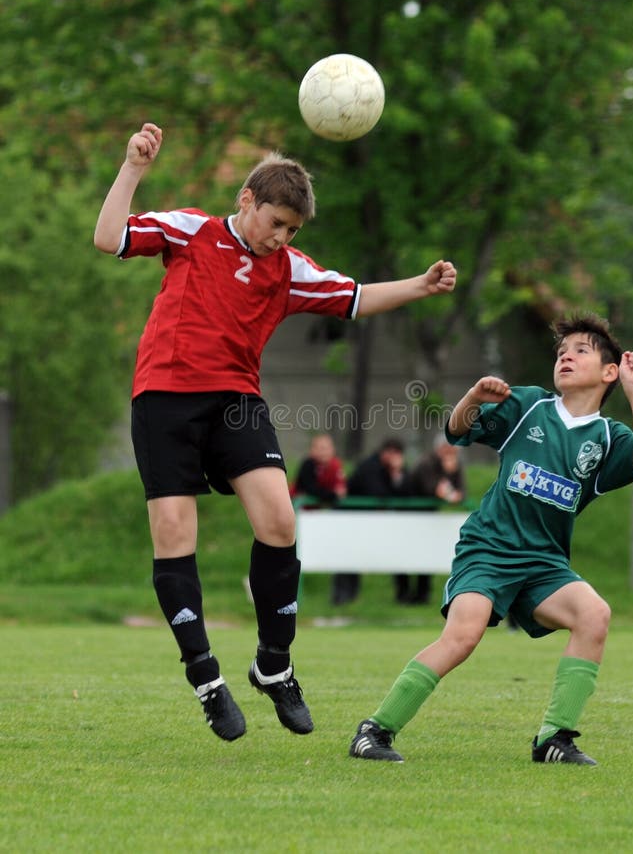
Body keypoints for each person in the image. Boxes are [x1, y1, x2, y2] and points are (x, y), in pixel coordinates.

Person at [94, 122, 456, 742]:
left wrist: (420, 286)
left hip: (236, 401)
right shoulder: (190, 231)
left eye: (292, 230)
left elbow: (355, 296)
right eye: (276, 222)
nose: (281, 237)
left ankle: (273, 664)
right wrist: (133, 168)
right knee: (175, 533)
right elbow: (109, 238)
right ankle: (205, 677)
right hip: (164, 399)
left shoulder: (288, 269)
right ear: (247, 200)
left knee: (280, 521)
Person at [349, 313, 633, 765]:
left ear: (609, 371)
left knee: (594, 614)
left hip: (543, 562)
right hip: (489, 549)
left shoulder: (608, 438)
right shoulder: (531, 405)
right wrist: (473, 397)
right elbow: (456, 429)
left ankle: (554, 738)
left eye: (580, 351)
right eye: (561, 352)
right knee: (464, 635)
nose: (566, 357)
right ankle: (374, 730)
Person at [332, 438, 412, 605]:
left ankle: (403, 596)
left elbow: (408, 492)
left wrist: (396, 474)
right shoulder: (369, 466)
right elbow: (378, 494)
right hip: (351, 520)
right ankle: (343, 597)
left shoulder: (398, 471)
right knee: (347, 559)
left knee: (398, 555)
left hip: (373, 523)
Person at [397, 434, 467, 605]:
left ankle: (422, 595)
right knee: (403, 556)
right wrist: (449, 474)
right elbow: (434, 489)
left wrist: (452, 478)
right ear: (441, 449)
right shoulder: (425, 463)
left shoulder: (454, 465)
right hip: (408, 515)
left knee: (426, 554)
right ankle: (403, 594)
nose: (452, 454)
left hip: (428, 517)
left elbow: (461, 492)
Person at [290, 433, 347, 505]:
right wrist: (333, 495)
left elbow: (341, 488)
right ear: (311, 450)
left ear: (333, 450)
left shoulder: (336, 465)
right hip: (298, 505)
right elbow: (310, 489)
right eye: (318, 448)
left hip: (318, 507)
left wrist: (338, 492)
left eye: (325, 448)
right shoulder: (308, 465)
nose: (323, 452)